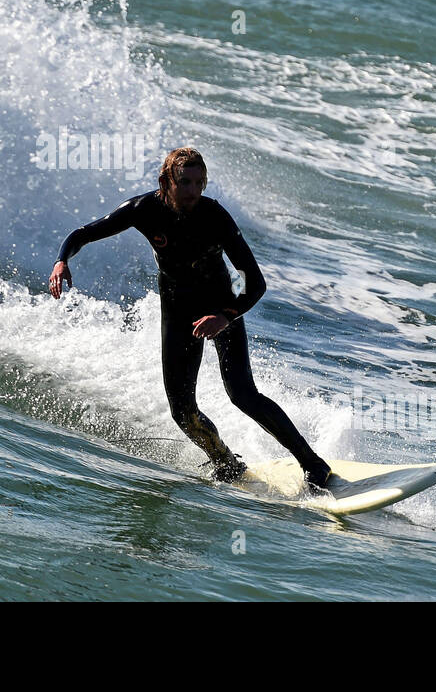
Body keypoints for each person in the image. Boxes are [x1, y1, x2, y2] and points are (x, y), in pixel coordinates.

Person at [48, 147, 332, 490]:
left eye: (200, 183)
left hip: (219, 306)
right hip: (177, 311)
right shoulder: (144, 209)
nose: (194, 191)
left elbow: (255, 283)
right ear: (165, 182)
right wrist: (62, 260)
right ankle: (226, 463)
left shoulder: (215, 216)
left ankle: (314, 465)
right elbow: (83, 234)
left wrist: (224, 316)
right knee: (183, 412)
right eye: (185, 182)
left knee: (243, 394)